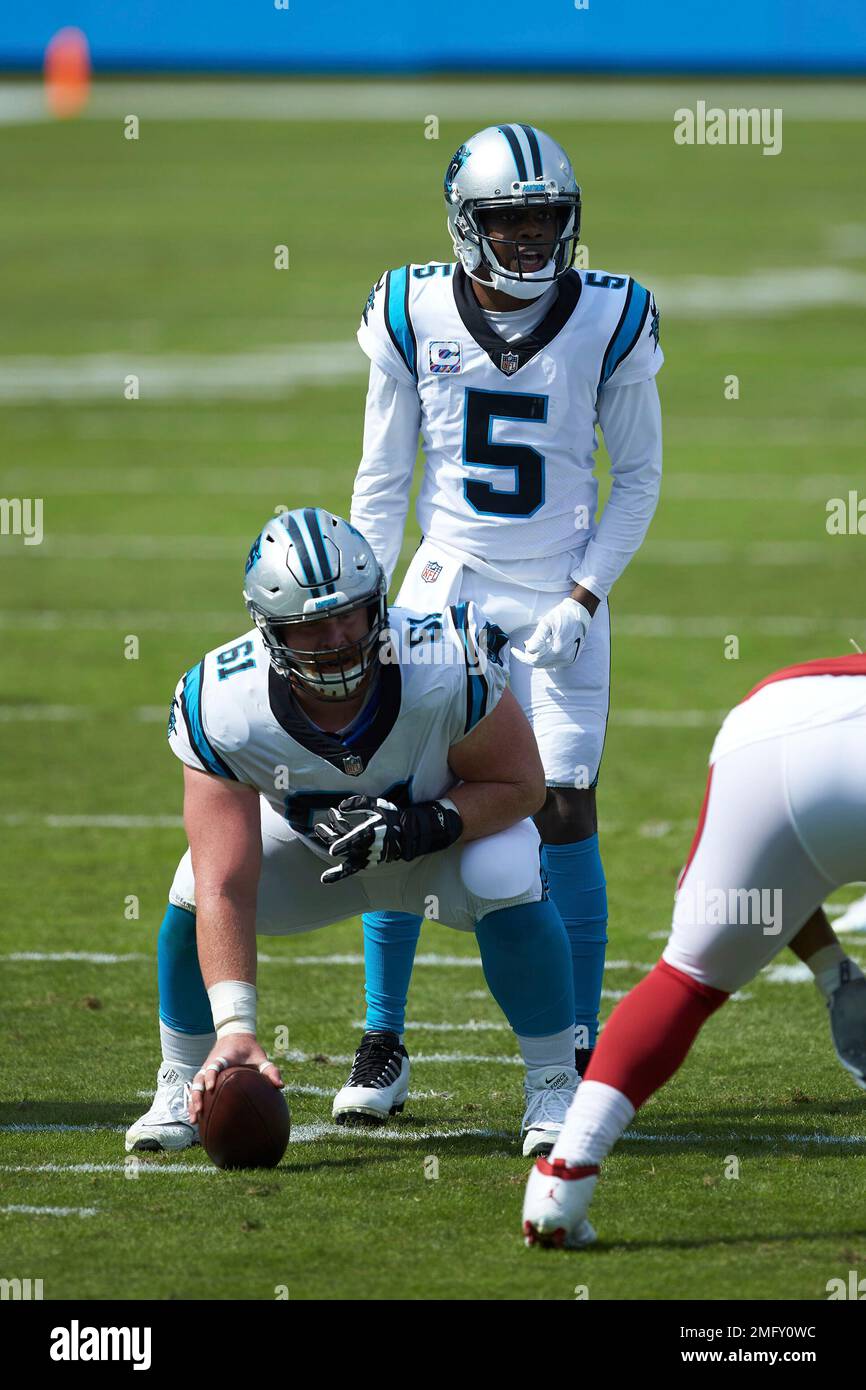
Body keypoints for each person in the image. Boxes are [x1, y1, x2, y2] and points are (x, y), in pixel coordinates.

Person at [344, 122, 664, 1122]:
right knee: (400, 797)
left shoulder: (609, 314)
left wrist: (582, 595)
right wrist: (368, 609)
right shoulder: (410, 310)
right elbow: (382, 482)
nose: (528, 243)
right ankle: (382, 1038)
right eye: (507, 223)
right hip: (448, 577)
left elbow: (639, 478)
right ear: (463, 227)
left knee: (563, 805)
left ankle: (573, 1047)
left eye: (543, 223)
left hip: (557, 582)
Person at [125, 506, 580, 1158]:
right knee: (193, 884)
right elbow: (224, 881)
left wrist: (422, 827)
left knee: (504, 869)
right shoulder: (223, 702)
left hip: (441, 851)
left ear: (379, 604)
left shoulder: (446, 659)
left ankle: (554, 1084)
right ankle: (181, 1082)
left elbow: (523, 789)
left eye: (349, 614)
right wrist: (237, 1028)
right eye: (310, 627)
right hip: (315, 861)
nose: (337, 637)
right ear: (269, 629)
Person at [522, 653, 866, 1248]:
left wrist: (836, 976)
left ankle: (561, 1184)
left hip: (768, 722)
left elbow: (782, 878)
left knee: (685, 981)